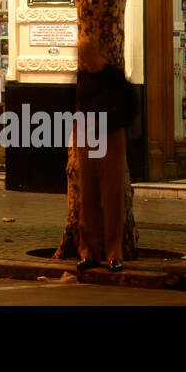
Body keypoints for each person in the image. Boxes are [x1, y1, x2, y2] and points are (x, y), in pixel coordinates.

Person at [74, 44, 138, 273]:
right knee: (88, 197)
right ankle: (89, 252)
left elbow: (128, 109)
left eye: (85, 53)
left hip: (110, 136)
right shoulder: (82, 77)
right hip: (88, 136)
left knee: (112, 198)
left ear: (97, 53)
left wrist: (105, 122)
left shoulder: (114, 77)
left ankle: (113, 254)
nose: (82, 58)